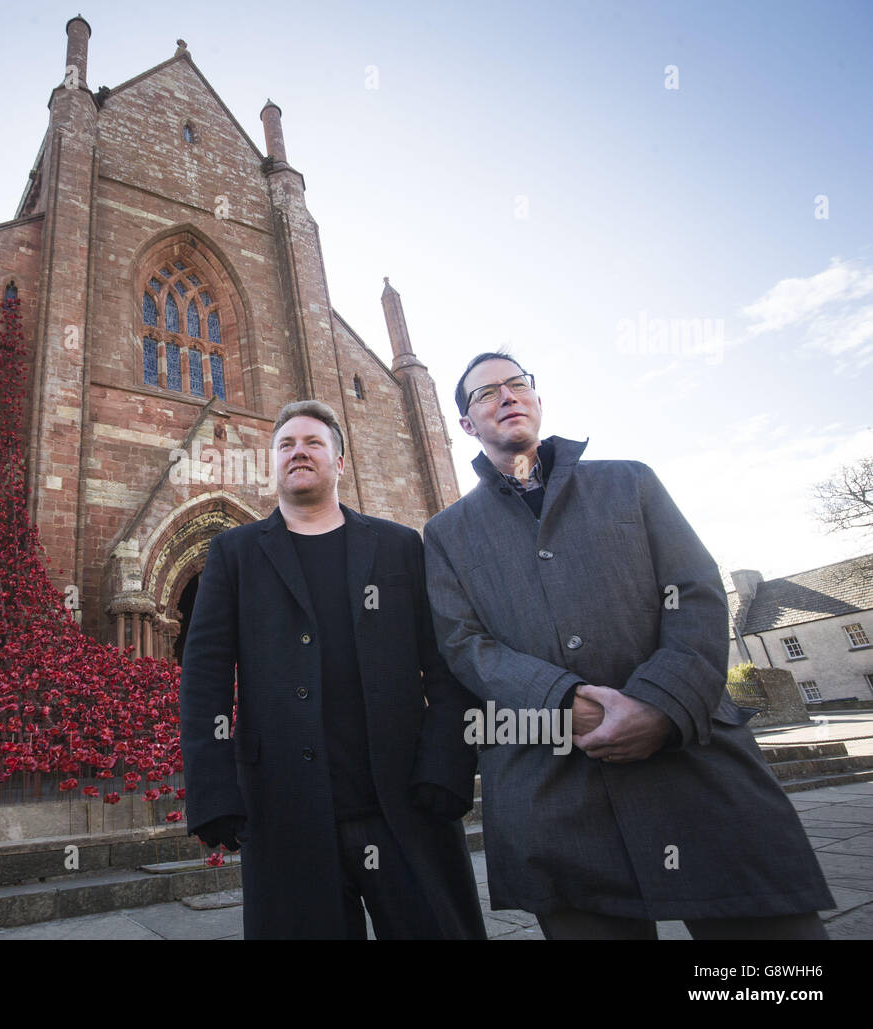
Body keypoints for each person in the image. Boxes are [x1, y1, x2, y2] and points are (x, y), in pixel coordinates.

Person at [422, 352, 834, 940]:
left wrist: (659, 703)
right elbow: (463, 645)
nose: (507, 396)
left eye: (517, 384)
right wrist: (565, 702)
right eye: (486, 393)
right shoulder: (446, 533)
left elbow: (693, 594)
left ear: (537, 400)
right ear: (466, 423)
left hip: (694, 764)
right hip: (557, 785)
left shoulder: (629, 480)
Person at [179, 399, 485, 939]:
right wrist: (213, 789)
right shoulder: (235, 553)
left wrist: (447, 763)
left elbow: (445, 662)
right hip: (284, 810)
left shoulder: (398, 546)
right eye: (286, 445)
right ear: (272, 463)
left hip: (406, 802)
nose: (299, 452)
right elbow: (202, 680)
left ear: (340, 462)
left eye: (313, 442)